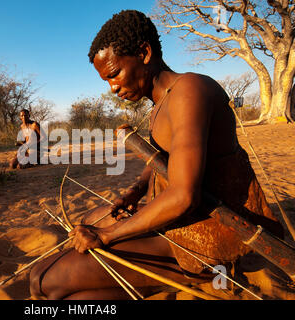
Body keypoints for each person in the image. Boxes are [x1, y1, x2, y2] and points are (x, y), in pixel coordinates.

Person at [29, 10, 283, 300]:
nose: (112, 88)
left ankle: (202, 277)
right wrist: (135, 191)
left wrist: (108, 236)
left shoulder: (190, 91)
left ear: (144, 52)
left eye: (114, 74)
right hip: (180, 221)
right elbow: (166, 160)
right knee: (90, 219)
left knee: (43, 280)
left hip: (206, 234)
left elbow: (184, 196)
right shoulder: (161, 103)